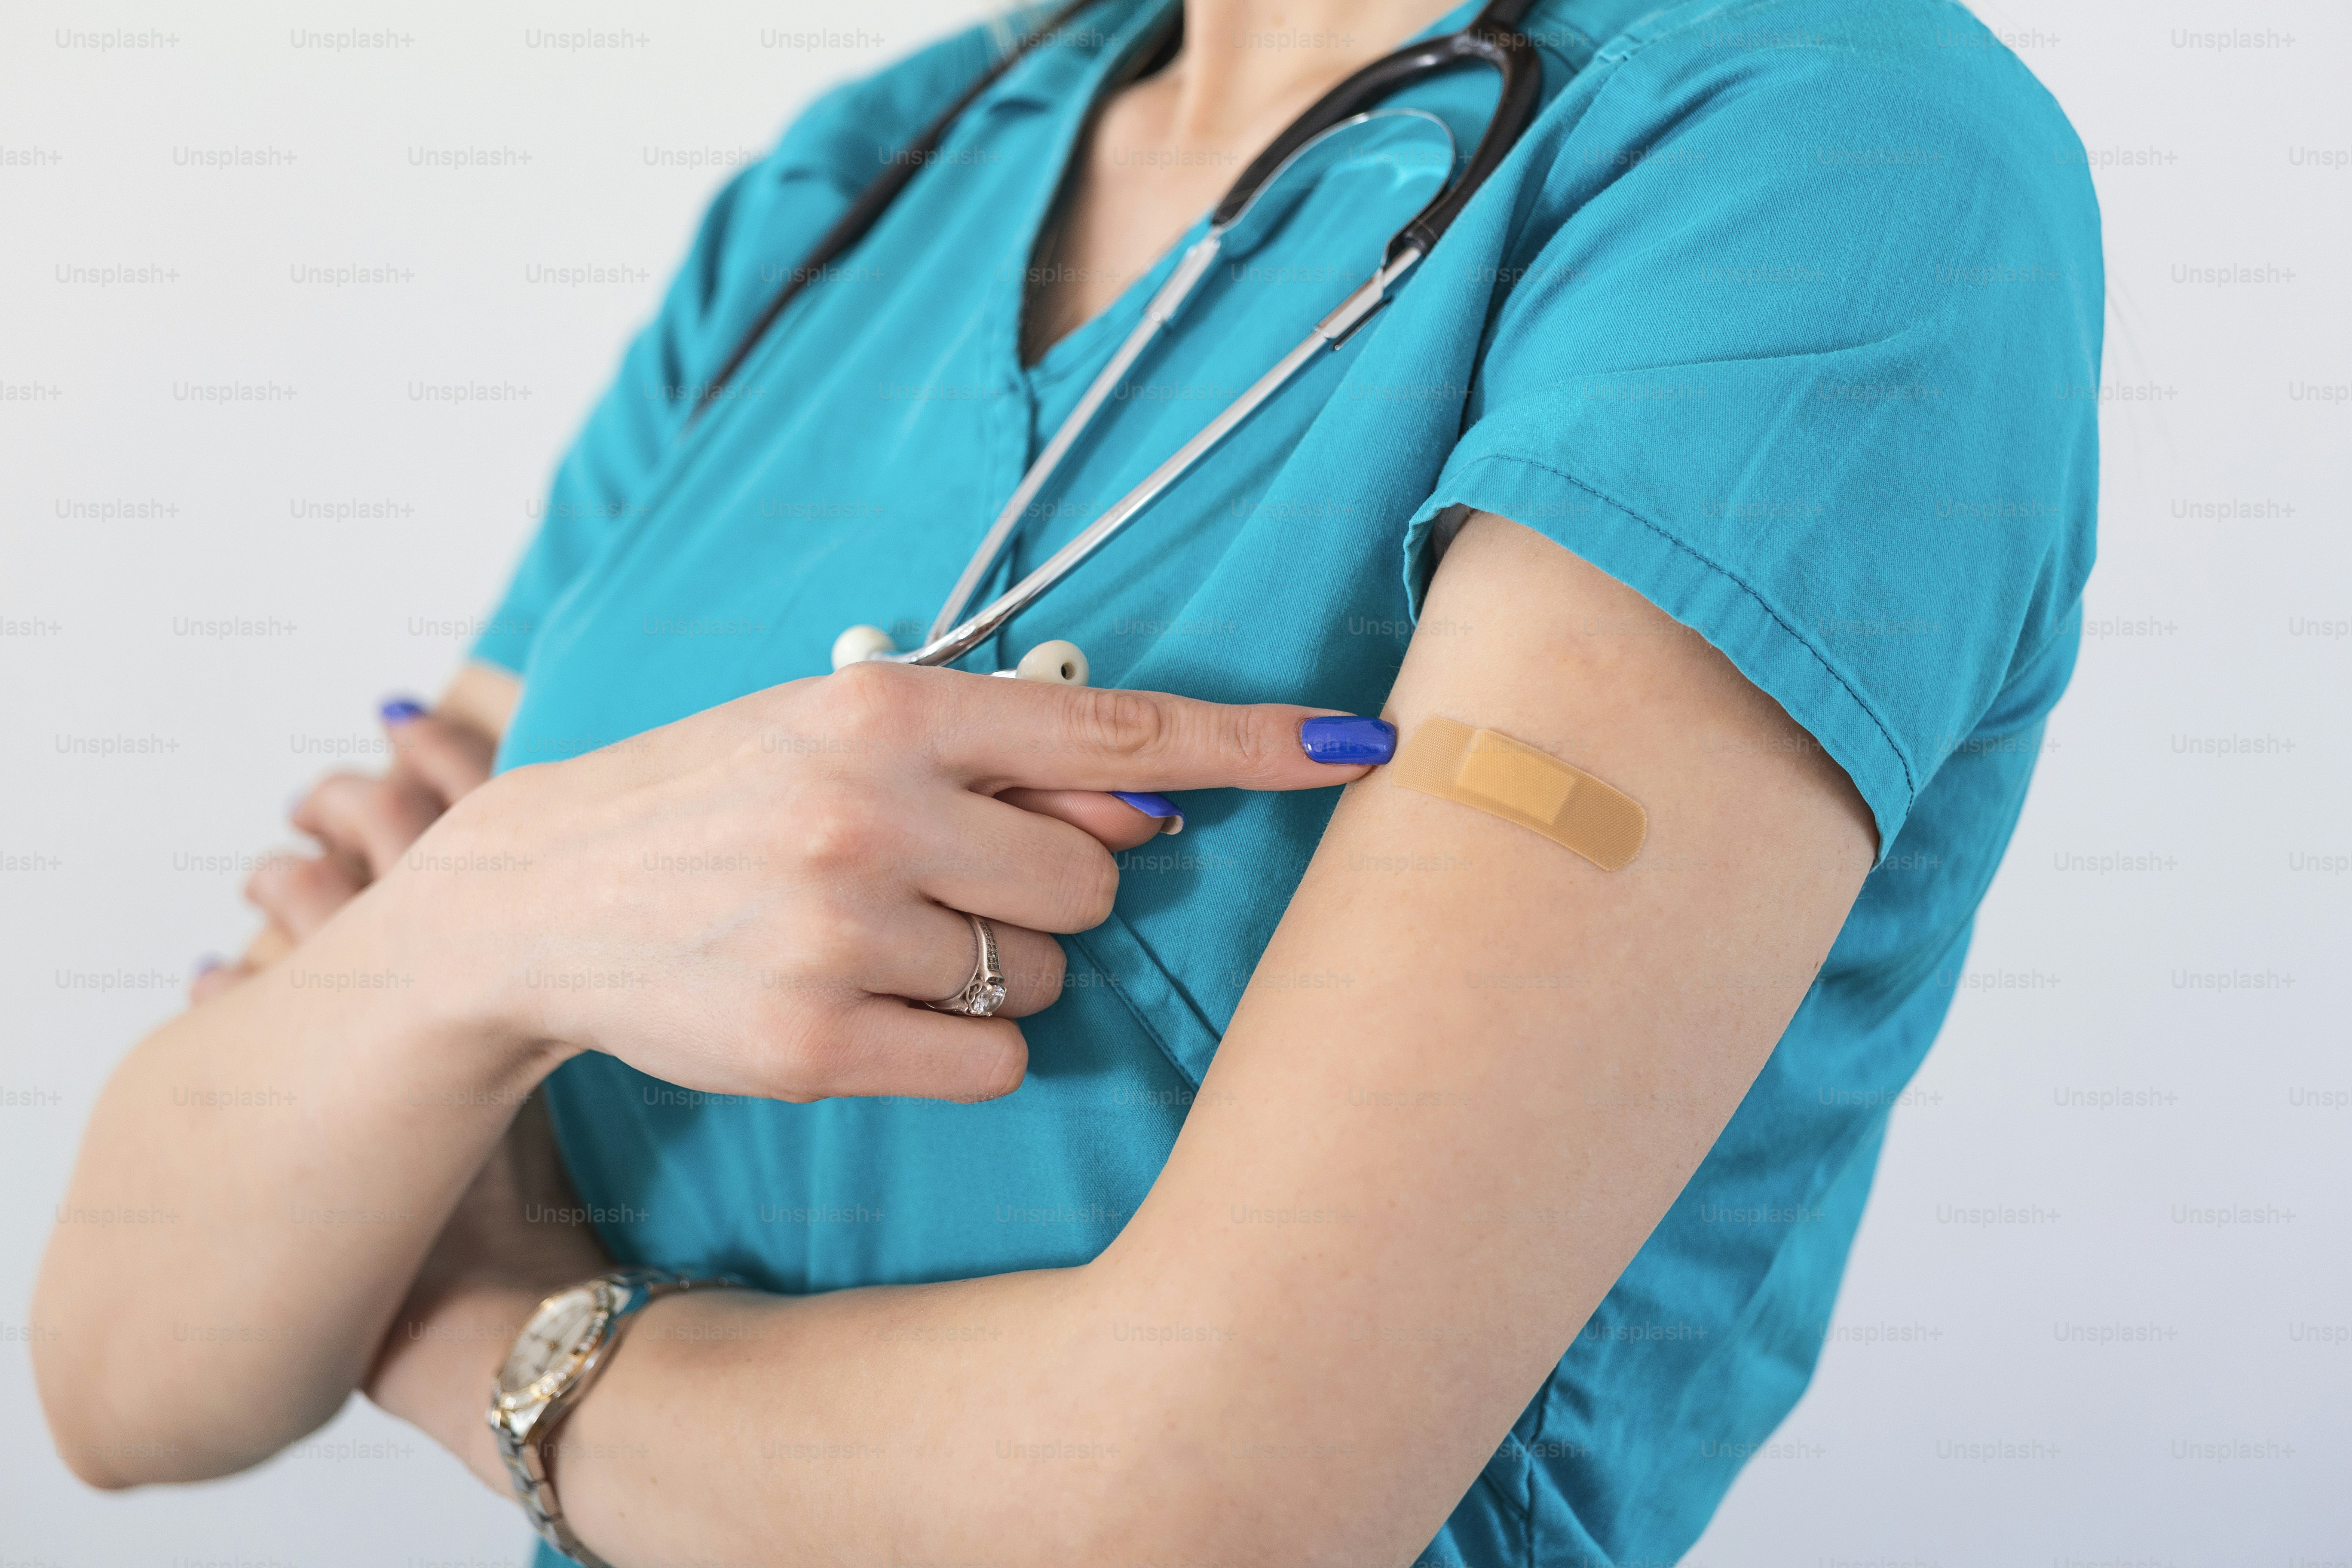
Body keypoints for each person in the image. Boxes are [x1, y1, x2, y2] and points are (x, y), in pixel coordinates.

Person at [32, 0, 2102, 1562]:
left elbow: (1193, 1506)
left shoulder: (1821, 165)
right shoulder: (869, 179)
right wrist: (502, 910)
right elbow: (123, 1354)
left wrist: (475, 1327)